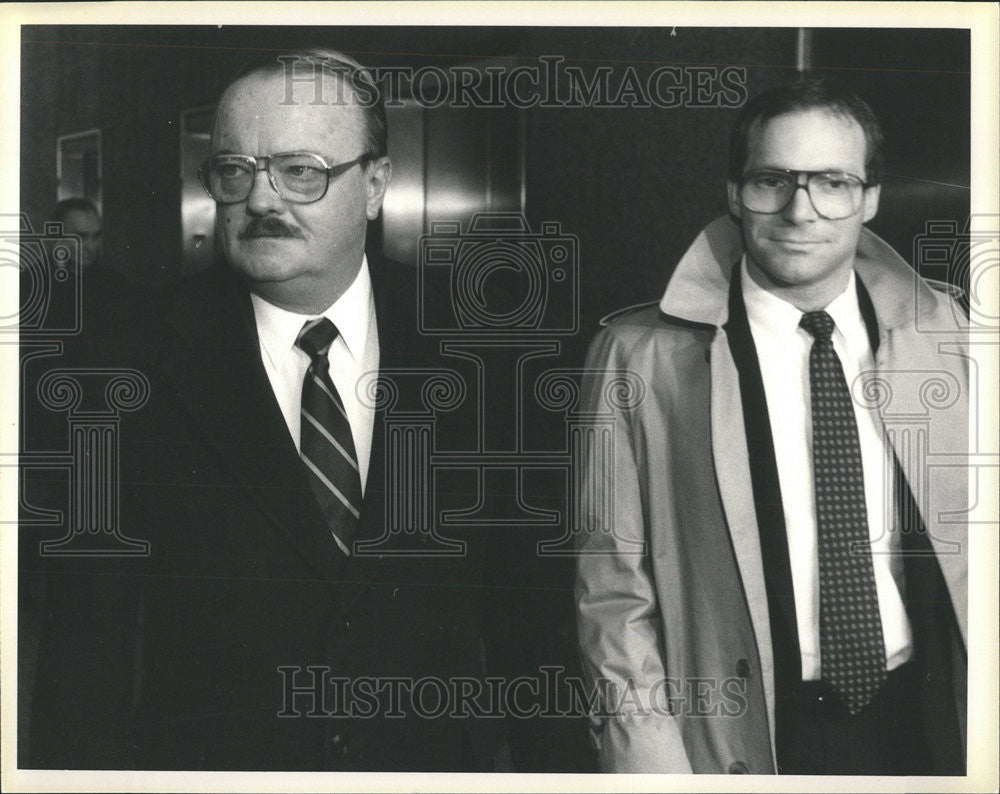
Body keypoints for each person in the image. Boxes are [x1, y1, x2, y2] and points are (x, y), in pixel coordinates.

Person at [27, 49, 510, 771]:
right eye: (234, 171)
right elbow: (83, 654)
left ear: (376, 183)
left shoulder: (476, 346)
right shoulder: (126, 364)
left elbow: (526, 619)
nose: (260, 200)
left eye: (301, 170)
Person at [575, 79, 968, 775]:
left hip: (930, 721)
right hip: (748, 741)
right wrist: (651, 764)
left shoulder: (944, 330)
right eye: (772, 181)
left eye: (833, 182)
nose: (800, 209)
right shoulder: (640, 356)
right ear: (734, 192)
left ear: (870, 198)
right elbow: (613, 593)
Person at [51, 197, 103, 269]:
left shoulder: (113, 279)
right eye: (81, 237)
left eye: (96, 237)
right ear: (57, 237)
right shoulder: (34, 277)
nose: (91, 247)